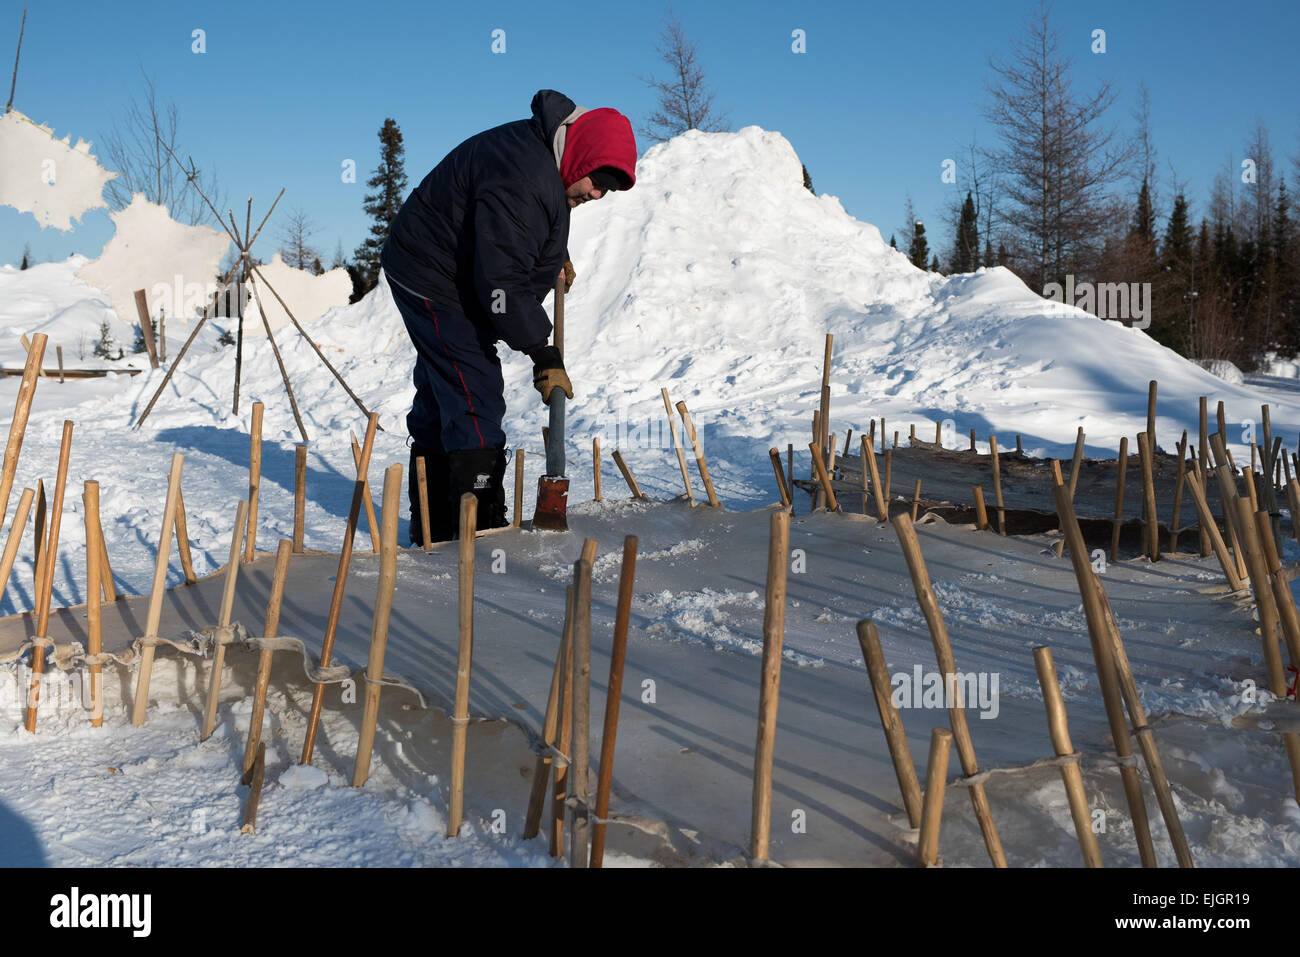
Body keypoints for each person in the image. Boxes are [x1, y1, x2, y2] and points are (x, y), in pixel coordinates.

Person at [381, 90, 637, 543]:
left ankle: (435, 527)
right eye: (597, 180)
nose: (597, 193)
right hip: (433, 276)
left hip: (458, 271)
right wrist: (543, 350)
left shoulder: (545, 157)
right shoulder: (525, 174)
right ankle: (472, 534)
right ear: (580, 156)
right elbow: (499, 284)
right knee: (473, 389)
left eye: (608, 189)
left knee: (448, 386)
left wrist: (550, 252)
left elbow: (509, 232)